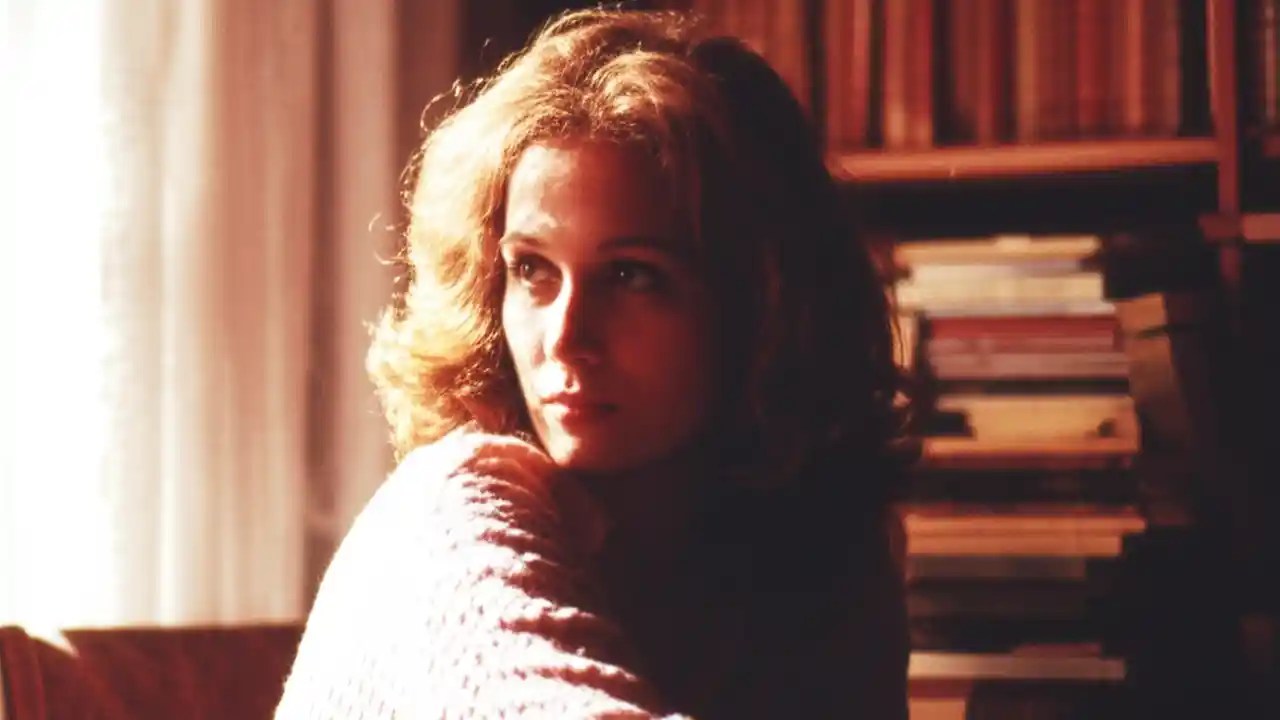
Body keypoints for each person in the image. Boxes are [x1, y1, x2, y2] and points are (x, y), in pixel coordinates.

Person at [276, 8, 910, 719]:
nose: (567, 335)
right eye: (532, 270)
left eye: (631, 276)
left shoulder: (821, 555)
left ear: (760, 301)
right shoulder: (453, 512)